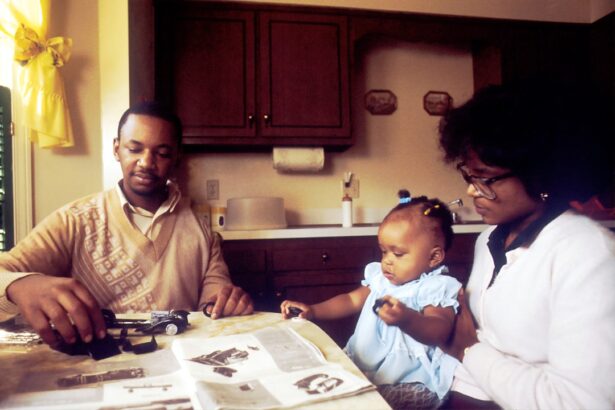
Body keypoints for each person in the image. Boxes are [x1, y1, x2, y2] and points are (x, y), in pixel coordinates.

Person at [0, 101, 253, 349]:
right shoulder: (74, 221)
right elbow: (4, 271)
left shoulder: (201, 229)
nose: (146, 162)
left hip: (181, 361)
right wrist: (20, 285)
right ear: (116, 149)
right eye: (135, 149)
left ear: (177, 157)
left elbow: (215, 300)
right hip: (100, 364)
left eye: (162, 153)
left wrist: (226, 303)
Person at [437, 80, 615, 409]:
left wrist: (467, 349)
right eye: (469, 175)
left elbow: (580, 403)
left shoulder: (589, 253)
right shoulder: (489, 239)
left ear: (541, 176)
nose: (473, 191)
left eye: (486, 178)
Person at [281, 190, 462, 410]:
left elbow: (440, 330)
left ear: (433, 257)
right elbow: (350, 300)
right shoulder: (380, 279)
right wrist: (313, 310)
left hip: (411, 381)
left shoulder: (435, 287)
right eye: (384, 251)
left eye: (398, 254)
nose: (387, 261)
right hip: (368, 369)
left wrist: (407, 319)